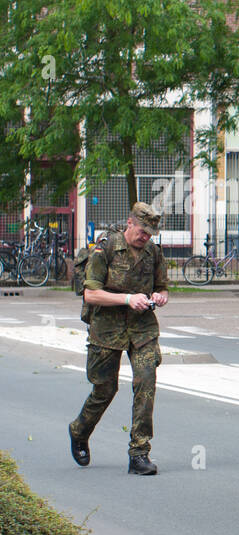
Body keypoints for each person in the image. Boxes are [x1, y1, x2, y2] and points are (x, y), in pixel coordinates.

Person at [69, 202, 169, 474]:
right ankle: (79, 430)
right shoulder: (106, 249)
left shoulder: (153, 253)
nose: (145, 236)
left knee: (146, 382)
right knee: (105, 389)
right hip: (107, 328)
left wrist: (160, 297)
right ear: (130, 223)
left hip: (142, 329)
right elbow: (91, 294)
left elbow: (162, 287)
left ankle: (139, 453)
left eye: (150, 233)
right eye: (142, 230)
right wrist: (127, 299)